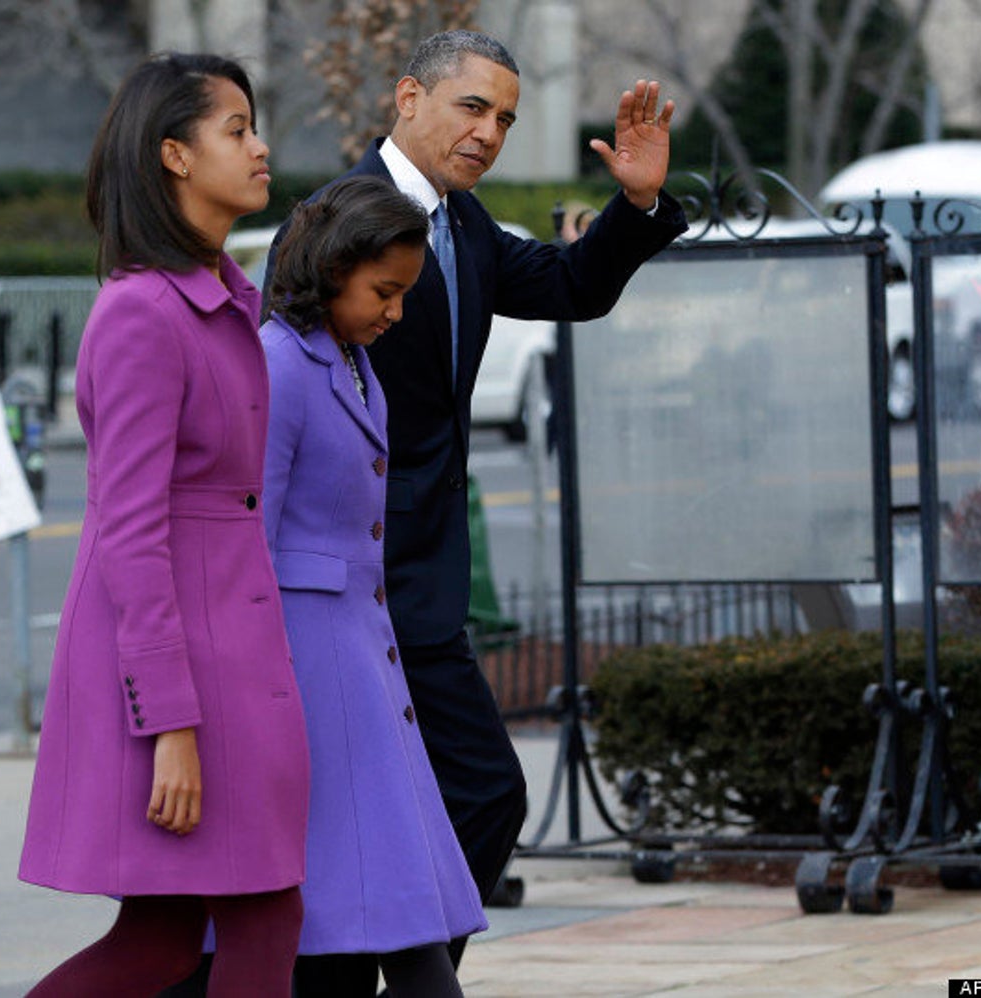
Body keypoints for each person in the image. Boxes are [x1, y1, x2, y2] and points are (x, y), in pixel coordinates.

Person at [270, 29, 687, 969]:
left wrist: (637, 203)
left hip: (423, 580)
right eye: (473, 108)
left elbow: (573, 285)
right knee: (467, 794)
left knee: (475, 797)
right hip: (348, 589)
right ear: (408, 98)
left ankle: (384, 972)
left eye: (505, 119)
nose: (489, 133)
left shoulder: (463, 224)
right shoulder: (329, 221)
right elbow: (289, 402)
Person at [18, 52, 310, 998]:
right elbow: (129, 533)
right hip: (179, 668)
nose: (261, 148)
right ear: (175, 155)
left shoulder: (220, 298)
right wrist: (169, 725)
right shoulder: (144, 314)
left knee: (173, 933)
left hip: (232, 650)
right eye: (237, 129)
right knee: (248, 918)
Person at [260, 175, 484, 997]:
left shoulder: (353, 361)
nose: (395, 311)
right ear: (332, 269)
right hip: (312, 672)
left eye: (404, 294)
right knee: (374, 916)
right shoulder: (280, 364)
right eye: (383, 291)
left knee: (380, 912)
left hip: (361, 663)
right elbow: (251, 539)